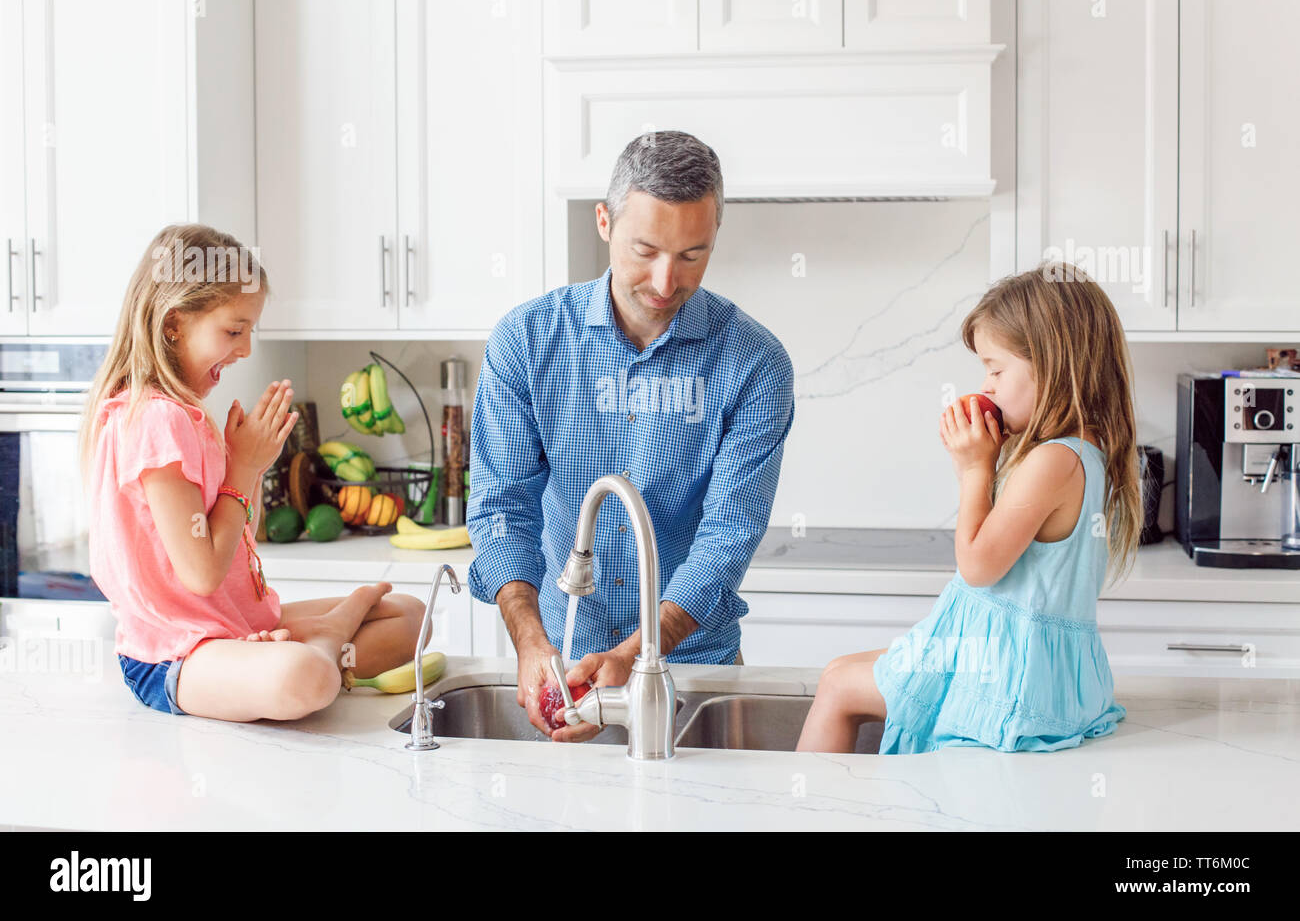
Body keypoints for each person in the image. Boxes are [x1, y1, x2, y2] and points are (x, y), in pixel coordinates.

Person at [466, 131, 795, 741]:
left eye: (693, 255)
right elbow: (501, 510)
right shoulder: (526, 342)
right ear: (603, 222)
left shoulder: (755, 363)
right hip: (564, 666)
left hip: (696, 674)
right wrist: (531, 641)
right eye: (645, 250)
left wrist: (637, 653)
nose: (666, 282)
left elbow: (728, 535)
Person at [81, 223, 425, 721]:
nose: (244, 350)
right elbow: (201, 573)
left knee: (410, 617)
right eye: (234, 330)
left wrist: (254, 466)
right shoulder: (156, 420)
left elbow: (241, 535)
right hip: (177, 654)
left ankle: (309, 655)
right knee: (300, 678)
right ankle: (321, 650)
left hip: (234, 628)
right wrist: (243, 466)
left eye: (249, 332)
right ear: (174, 322)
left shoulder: (190, 417)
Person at [797, 262, 1141, 754]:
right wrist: (980, 465)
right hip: (1015, 662)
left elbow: (978, 566)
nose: (988, 386)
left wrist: (977, 470)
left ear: (1052, 363)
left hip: (1003, 672)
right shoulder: (1085, 451)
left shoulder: (1054, 460)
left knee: (837, 687)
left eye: (996, 368)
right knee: (838, 671)